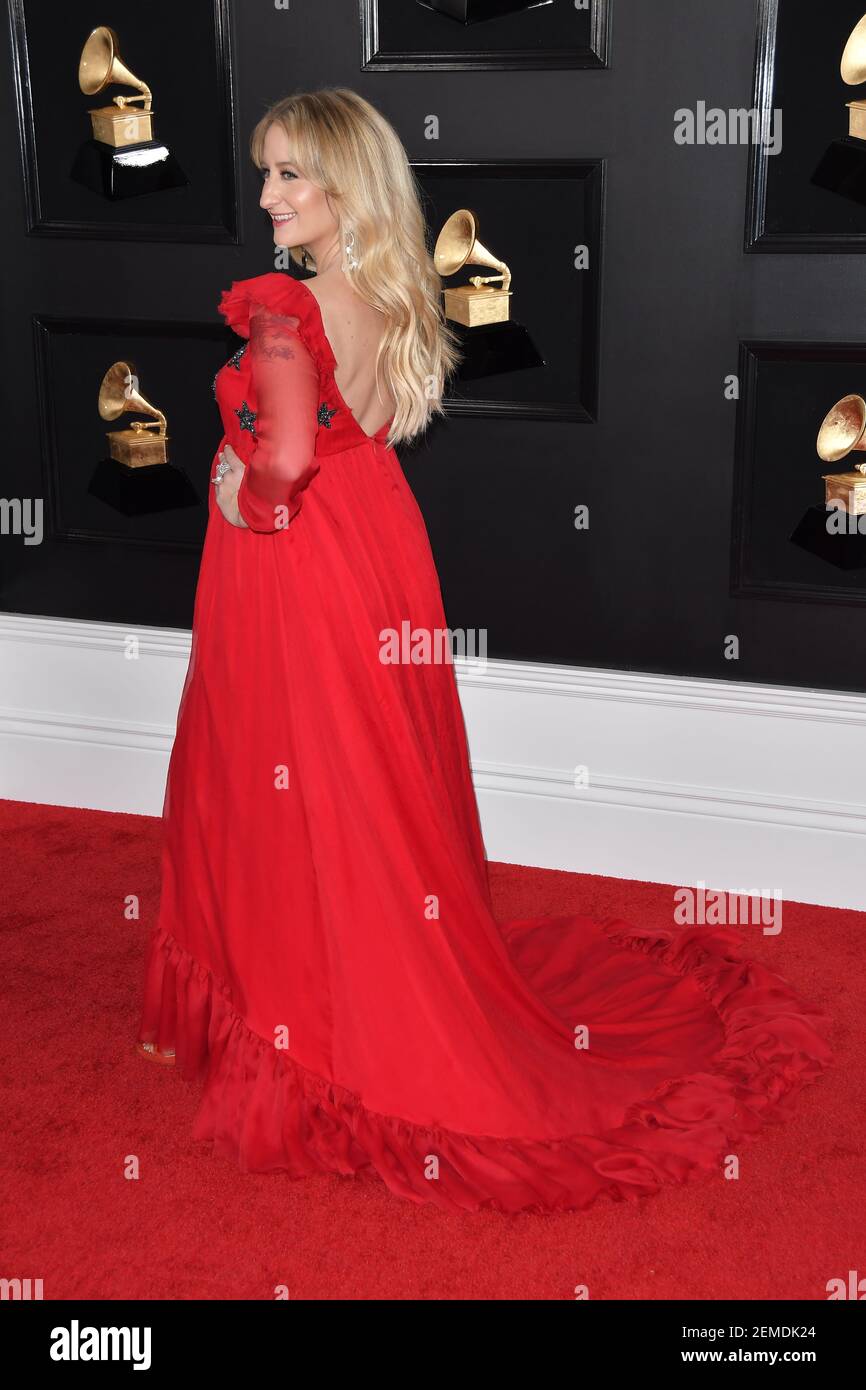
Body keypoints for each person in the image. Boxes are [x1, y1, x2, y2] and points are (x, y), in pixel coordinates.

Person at [137, 88, 832, 1214]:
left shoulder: (284, 303)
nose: (265, 196)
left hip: (294, 564)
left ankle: (298, 1006)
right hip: (375, 539)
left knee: (276, 770)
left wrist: (227, 485)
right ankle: (339, 969)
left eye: (288, 176)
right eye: (263, 173)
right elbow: (342, 435)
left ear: (342, 187)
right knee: (360, 779)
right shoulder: (380, 291)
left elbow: (275, 476)